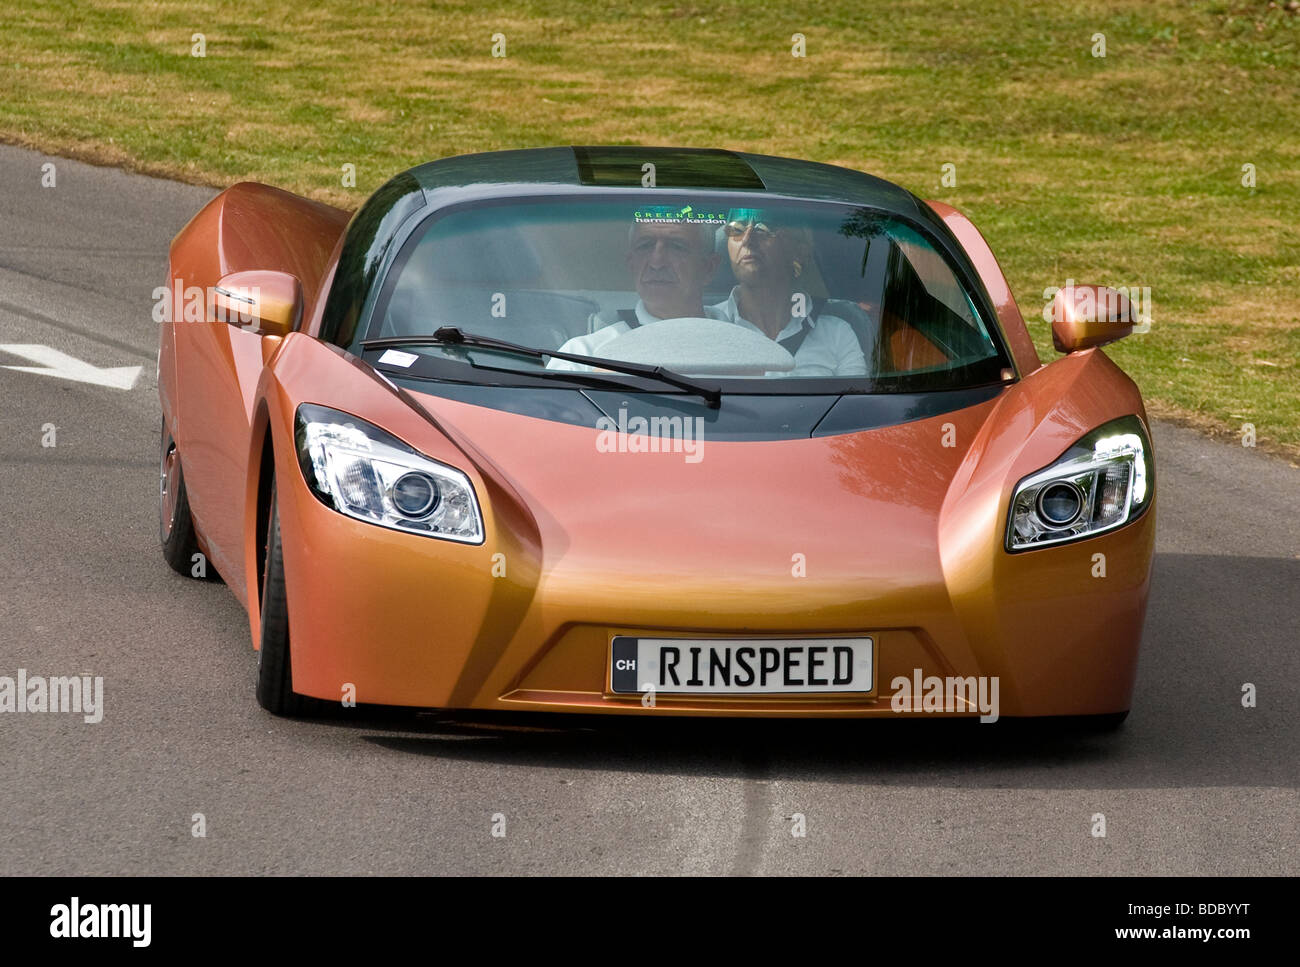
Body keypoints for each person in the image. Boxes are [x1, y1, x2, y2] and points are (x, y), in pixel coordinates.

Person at [709, 208, 867, 377]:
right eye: (737, 229)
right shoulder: (706, 325)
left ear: (800, 252)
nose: (747, 239)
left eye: (764, 228)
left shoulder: (837, 334)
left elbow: (856, 402)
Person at [547, 219, 723, 370]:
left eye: (676, 247)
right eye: (645, 246)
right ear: (631, 264)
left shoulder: (746, 343)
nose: (657, 262)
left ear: (708, 268)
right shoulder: (582, 357)